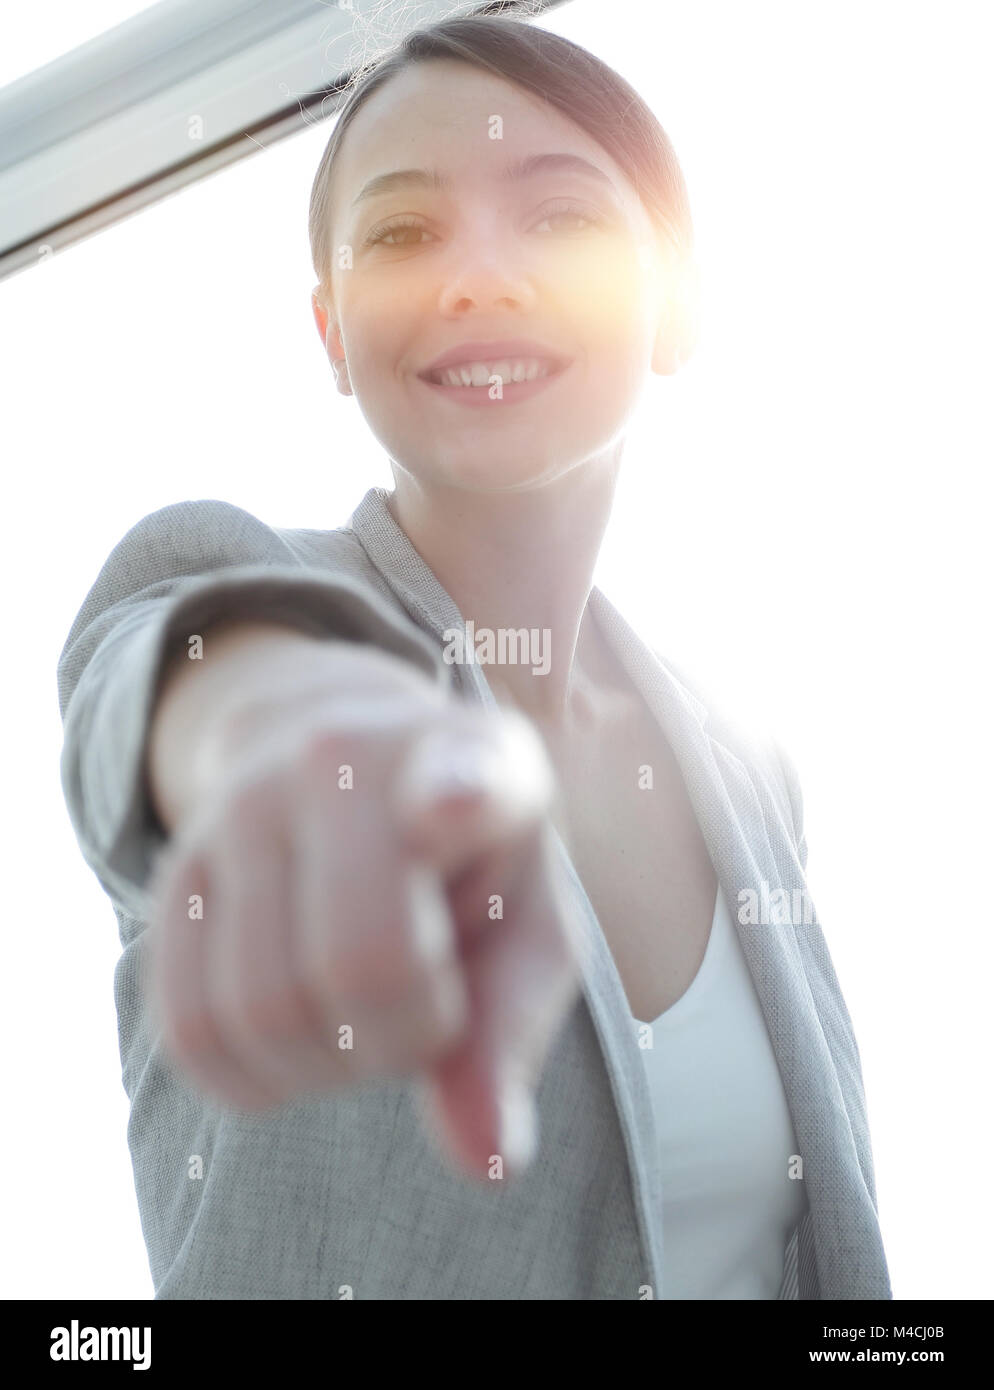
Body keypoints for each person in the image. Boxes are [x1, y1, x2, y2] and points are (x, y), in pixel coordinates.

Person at [57, 14, 891, 1300]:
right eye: (401, 233)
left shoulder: (751, 775)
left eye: (557, 218)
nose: (477, 277)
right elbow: (157, 706)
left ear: (673, 303)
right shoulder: (232, 586)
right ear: (334, 334)